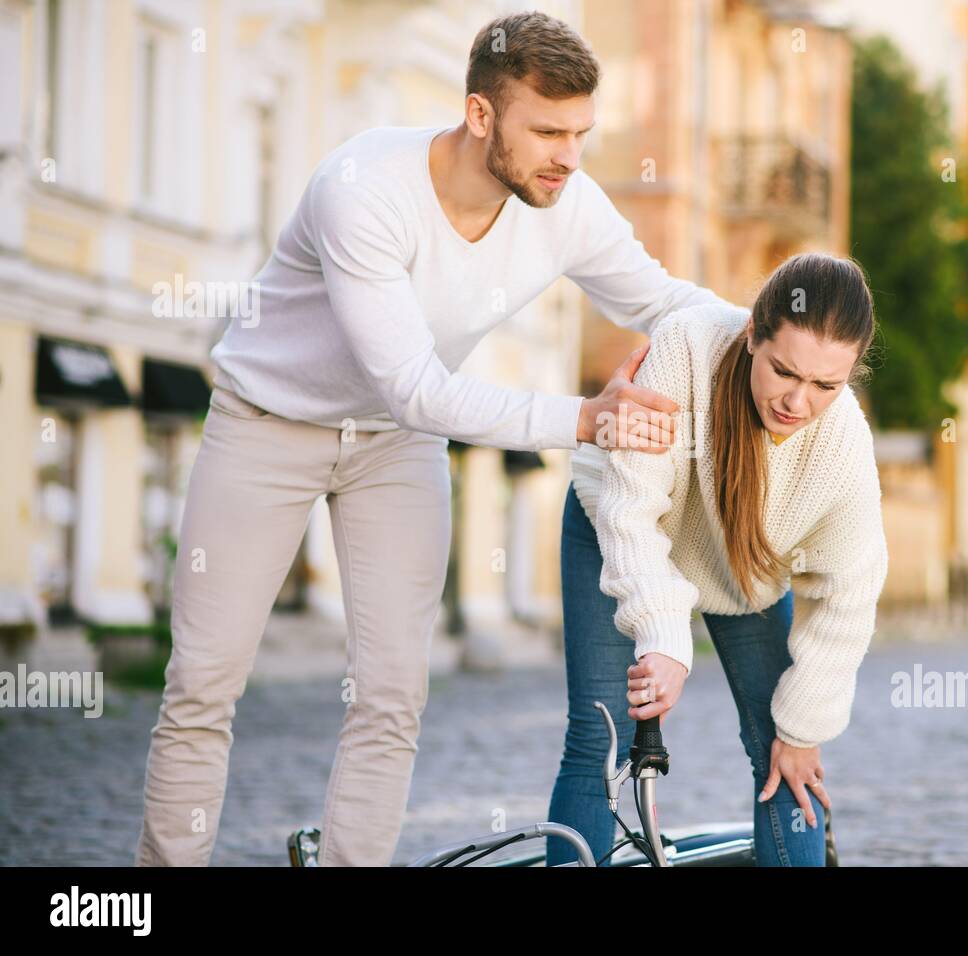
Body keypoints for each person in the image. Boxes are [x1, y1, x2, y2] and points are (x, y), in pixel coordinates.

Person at [135, 10, 729, 867]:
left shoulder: (565, 204)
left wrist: (785, 338)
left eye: (583, 133)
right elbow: (414, 386)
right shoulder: (363, 188)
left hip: (394, 450)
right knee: (200, 687)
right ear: (480, 115)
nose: (569, 155)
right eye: (549, 131)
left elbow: (666, 301)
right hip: (267, 425)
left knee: (391, 697)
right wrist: (585, 417)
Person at [546, 252, 889, 866]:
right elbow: (631, 511)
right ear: (753, 332)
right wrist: (663, 639)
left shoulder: (845, 447)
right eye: (784, 370)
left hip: (744, 573)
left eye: (825, 386)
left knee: (786, 754)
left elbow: (848, 596)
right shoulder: (684, 346)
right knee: (602, 740)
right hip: (617, 526)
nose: (797, 401)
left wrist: (802, 728)